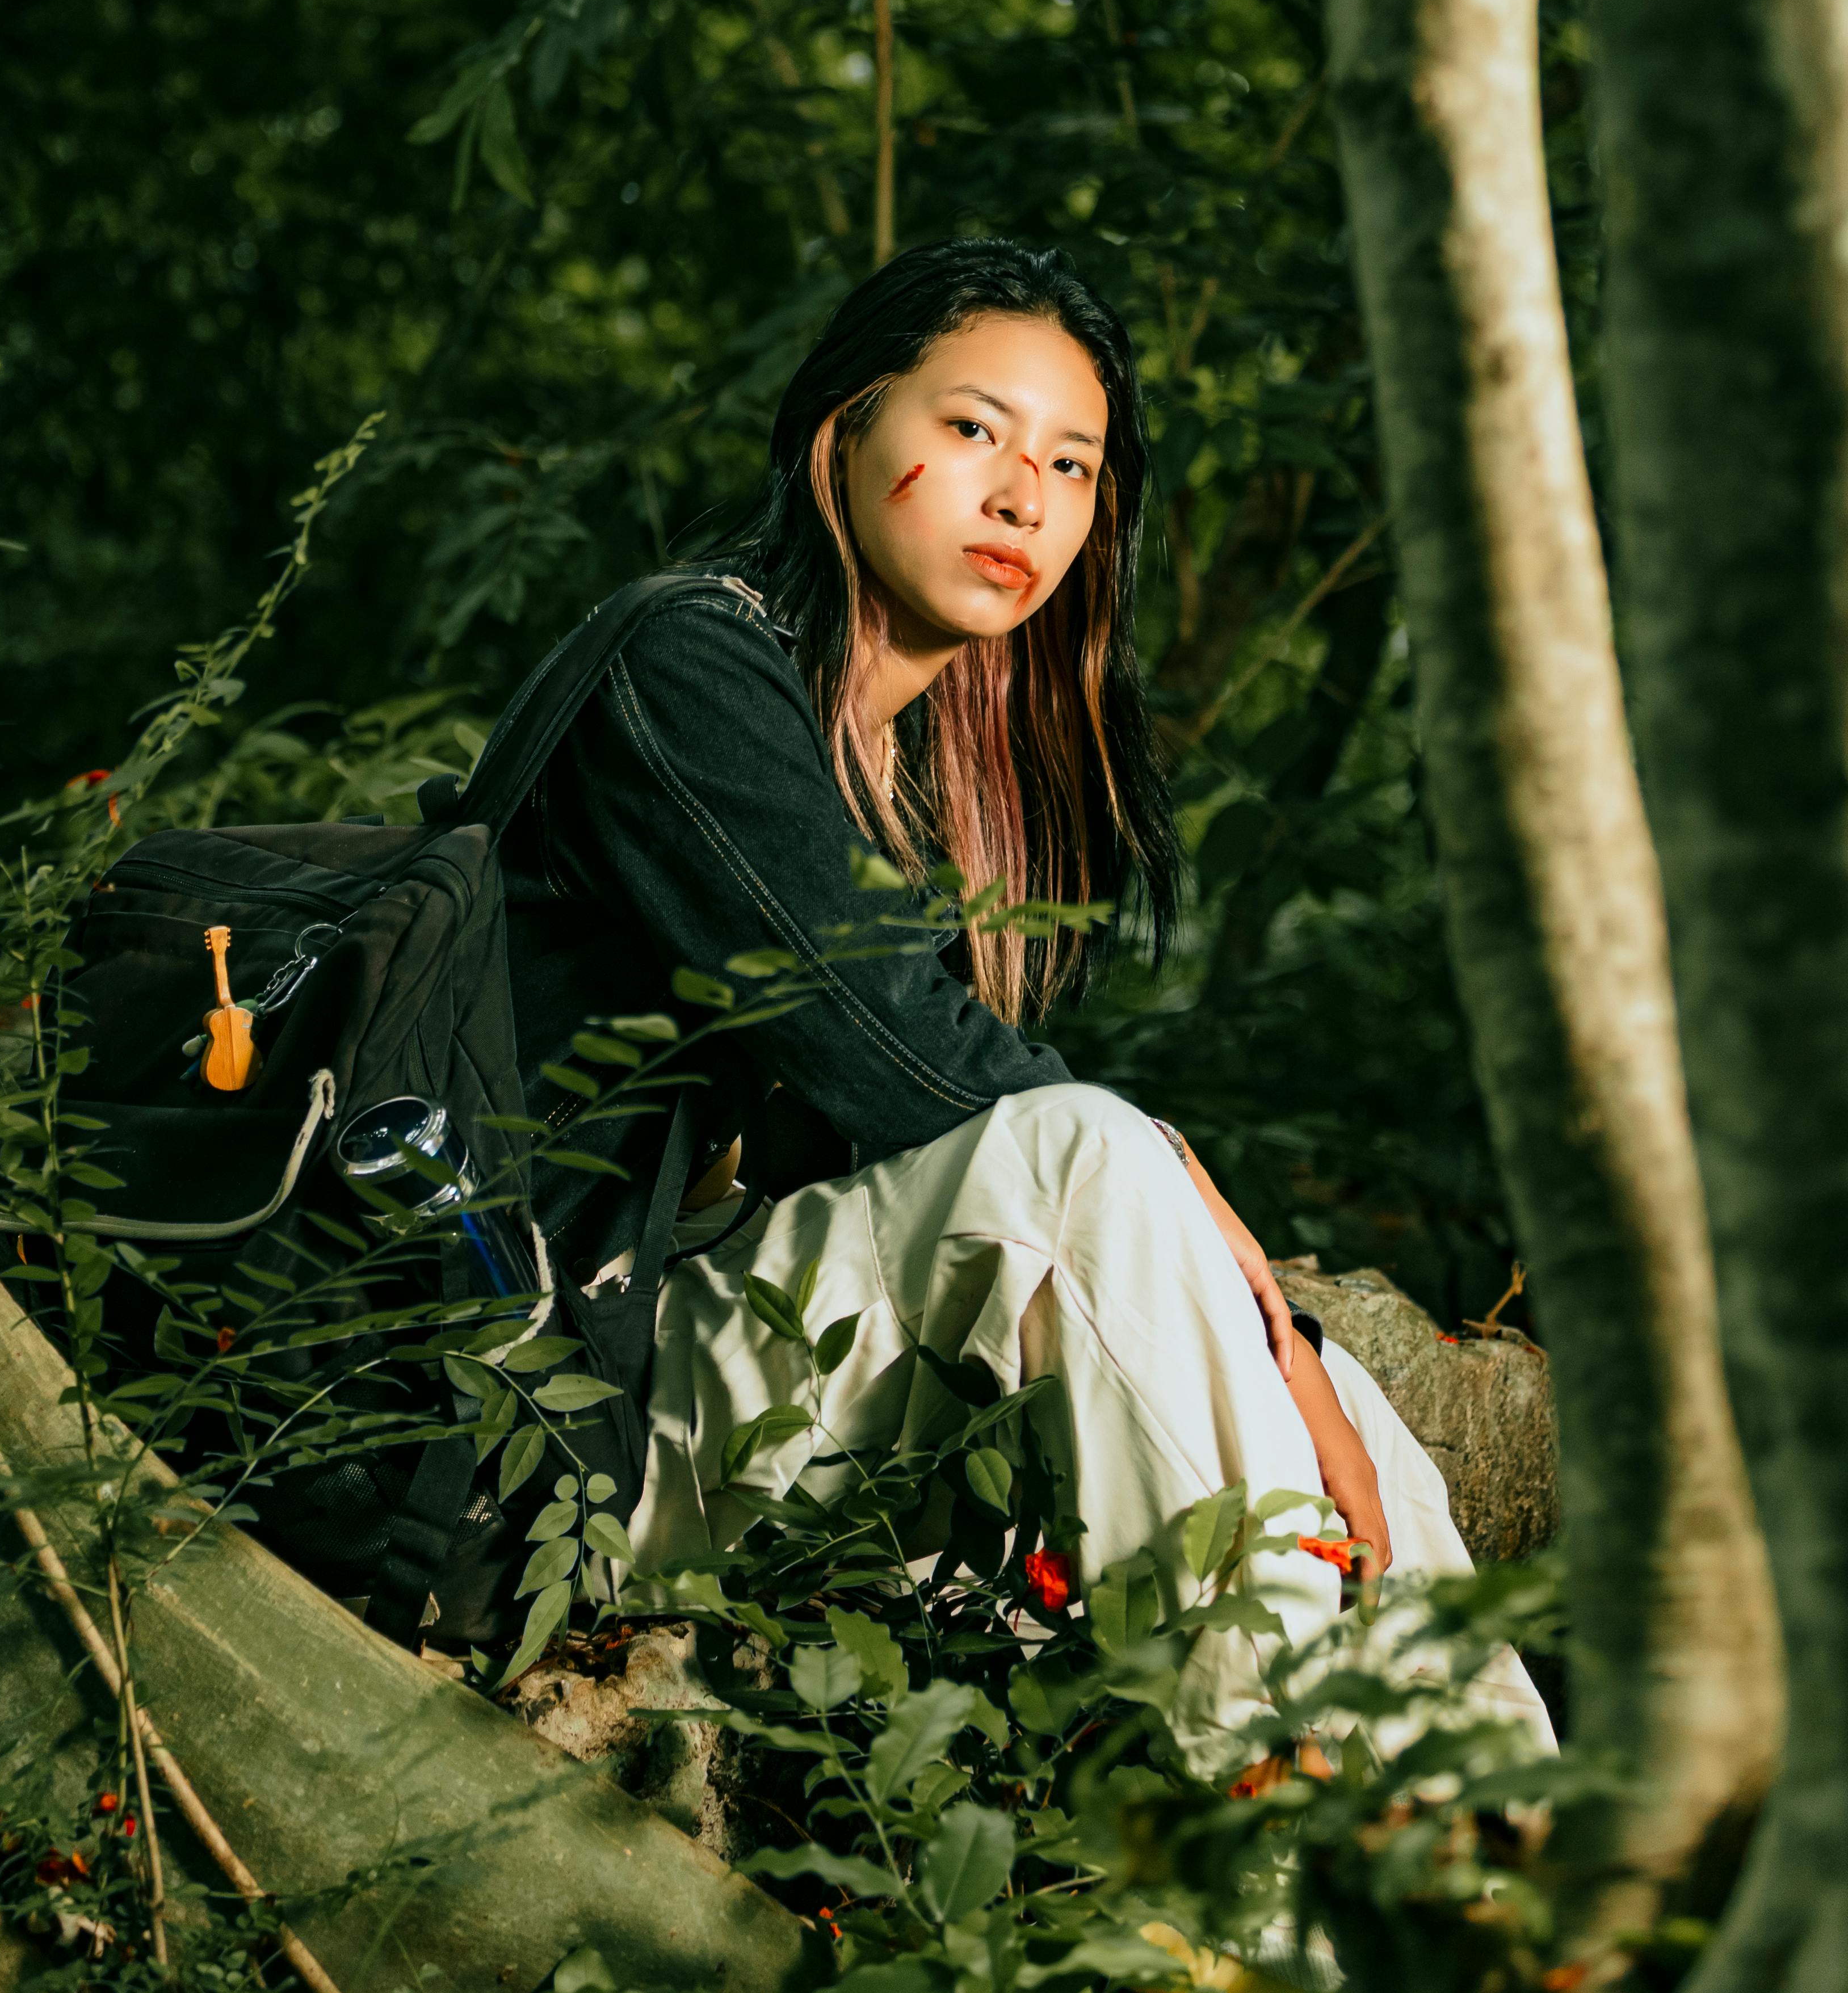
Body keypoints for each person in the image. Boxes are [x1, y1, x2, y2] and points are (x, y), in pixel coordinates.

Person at [504, 237, 1551, 1768]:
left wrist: (1295, 1351)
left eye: (1071, 463)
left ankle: (1517, 1896)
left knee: (1355, 1416)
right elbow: (903, 1060)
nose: (1023, 496)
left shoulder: (904, 781)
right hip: (548, 1441)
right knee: (1096, 1167)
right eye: (973, 428)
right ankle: (1265, 1869)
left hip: (719, 1398)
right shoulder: (691, 666)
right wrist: (1207, 1215)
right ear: (843, 431)